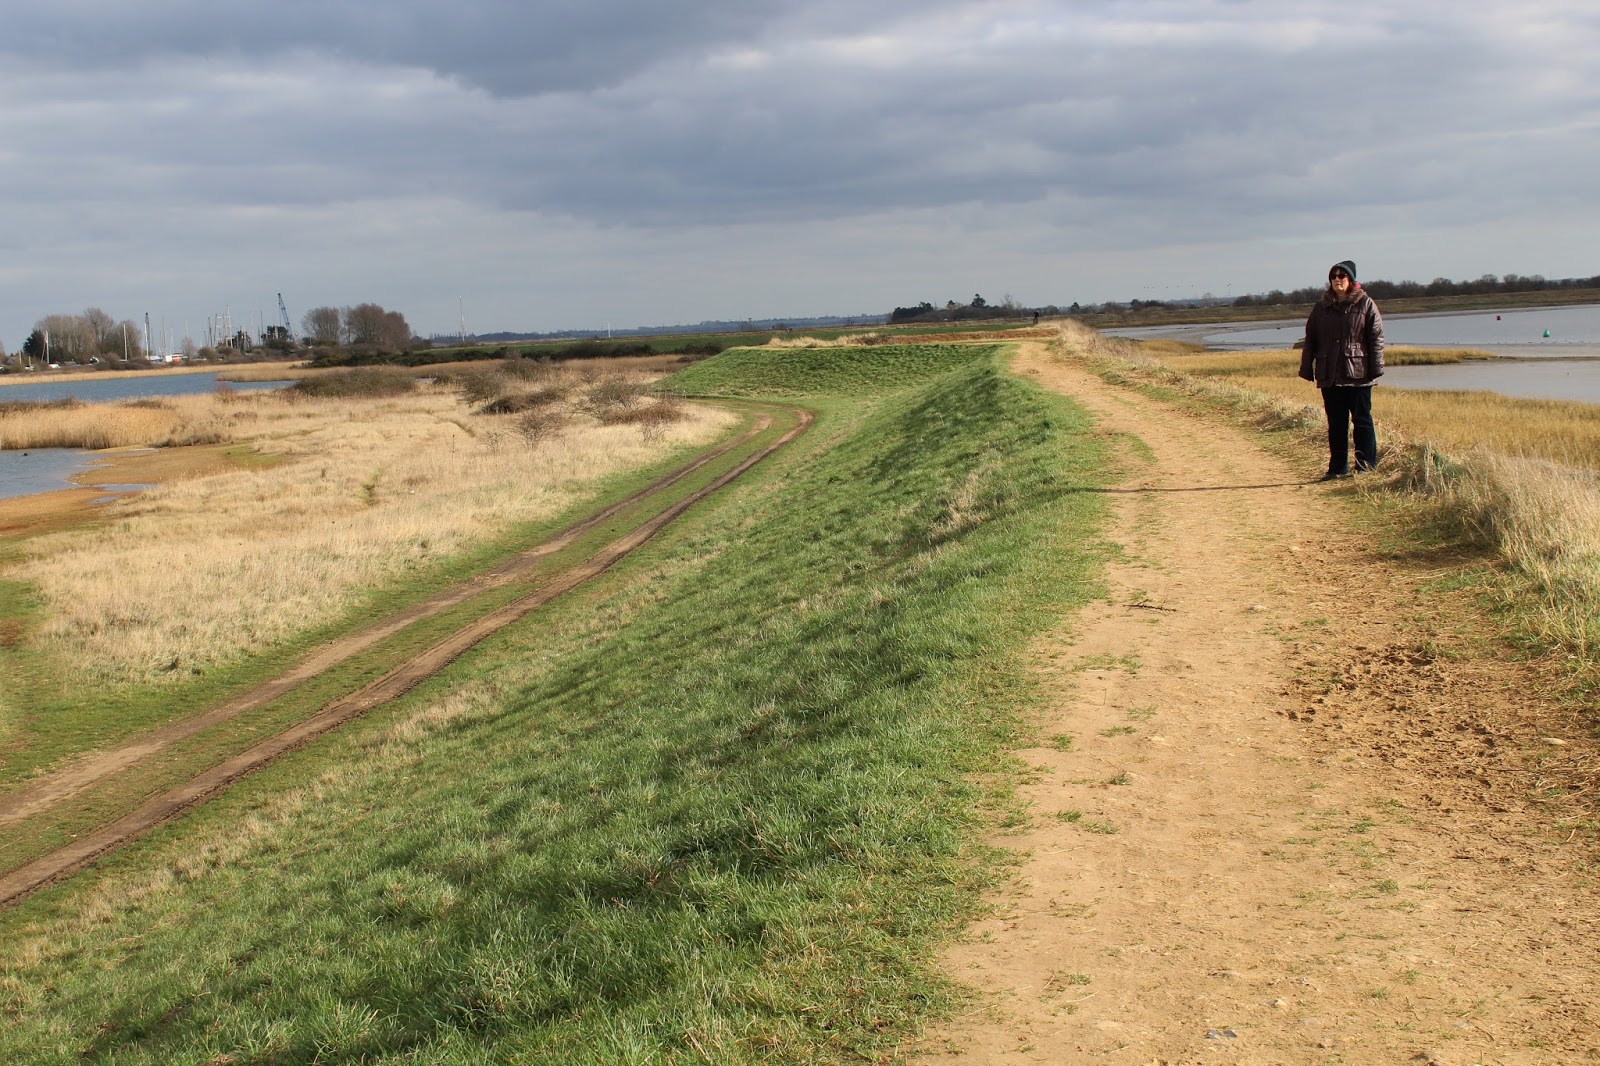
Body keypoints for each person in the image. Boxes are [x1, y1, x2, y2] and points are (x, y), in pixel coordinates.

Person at [1299, 259, 1384, 480]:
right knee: (1336, 423)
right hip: (1330, 375)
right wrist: (1307, 369)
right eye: (1333, 276)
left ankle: (1365, 466)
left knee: (1362, 421)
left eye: (1341, 276)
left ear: (1351, 279)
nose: (1337, 280)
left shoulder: (1365, 304)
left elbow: (1376, 339)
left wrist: (1375, 370)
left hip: (1358, 374)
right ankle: (1337, 468)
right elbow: (1311, 340)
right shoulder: (1321, 308)